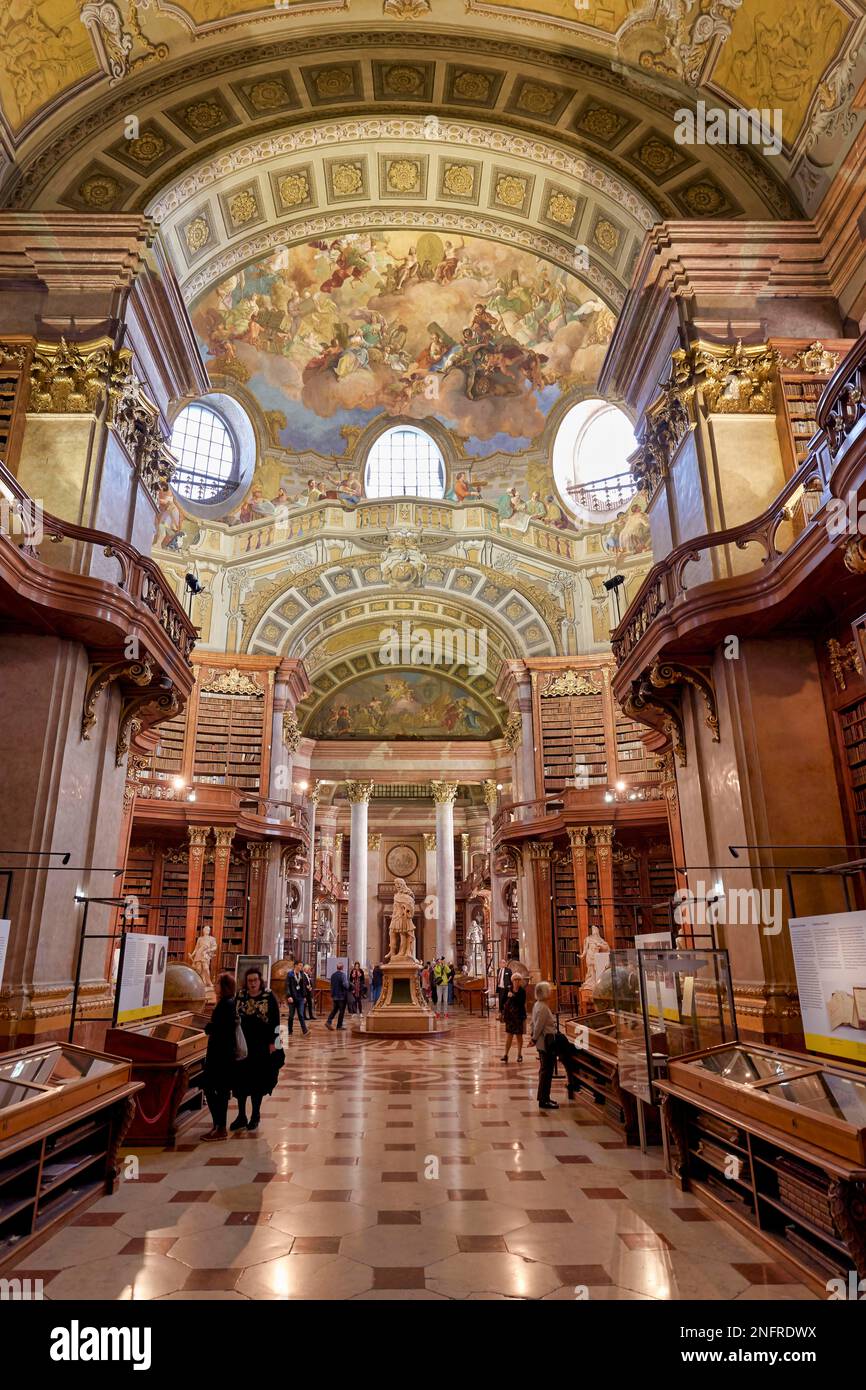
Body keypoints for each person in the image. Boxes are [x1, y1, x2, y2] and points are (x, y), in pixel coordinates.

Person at [232, 967, 280, 1132]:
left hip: (261, 1045)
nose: (252, 983)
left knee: (257, 1082)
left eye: (255, 980)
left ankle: (255, 1115)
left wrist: (274, 1044)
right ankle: (241, 1115)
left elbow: (275, 1021)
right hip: (242, 1045)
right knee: (240, 1082)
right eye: (249, 980)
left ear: (260, 981)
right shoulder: (240, 996)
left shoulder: (268, 996)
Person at [201, 971, 237, 1141]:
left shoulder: (226, 1004)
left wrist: (209, 1028)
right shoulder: (227, 1003)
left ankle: (220, 1126)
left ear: (224, 987)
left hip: (221, 1055)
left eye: (217, 983)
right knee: (217, 1089)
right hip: (221, 1053)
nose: (214, 986)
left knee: (215, 1089)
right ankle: (217, 1125)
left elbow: (222, 1028)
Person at [531, 980, 558, 1110]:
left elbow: (534, 1024)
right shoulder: (542, 1007)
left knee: (545, 1070)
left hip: (543, 1042)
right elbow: (538, 1026)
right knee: (546, 1071)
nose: (551, 991)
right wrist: (534, 1038)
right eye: (549, 989)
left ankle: (544, 1097)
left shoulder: (538, 1005)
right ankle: (544, 1099)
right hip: (545, 1043)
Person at [501, 972, 526, 1064]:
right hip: (510, 1017)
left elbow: (521, 1003)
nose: (516, 981)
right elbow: (503, 1000)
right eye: (515, 980)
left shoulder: (522, 991)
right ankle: (505, 1055)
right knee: (509, 1036)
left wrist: (513, 996)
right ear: (512, 981)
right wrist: (501, 1011)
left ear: (520, 981)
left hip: (518, 1016)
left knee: (519, 1036)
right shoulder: (508, 989)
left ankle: (519, 1055)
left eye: (518, 980)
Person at [285, 961, 308, 1037]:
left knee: (301, 1014)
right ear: (295, 966)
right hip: (292, 998)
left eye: (302, 965)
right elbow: (287, 986)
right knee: (291, 1015)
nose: (301, 967)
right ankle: (290, 1030)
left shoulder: (302, 974)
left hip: (300, 998)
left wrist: (304, 996)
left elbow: (304, 986)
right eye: (300, 965)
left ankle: (305, 1031)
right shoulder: (290, 974)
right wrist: (289, 996)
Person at [326, 960, 349, 1029]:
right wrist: (349, 985)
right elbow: (345, 985)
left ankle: (328, 1021)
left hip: (334, 995)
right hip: (341, 996)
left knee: (335, 1009)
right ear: (342, 968)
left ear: (337, 968)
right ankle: (339, 1025)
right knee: (341, 1011)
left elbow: (331, 985)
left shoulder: (333, 975)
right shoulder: (343, 975)